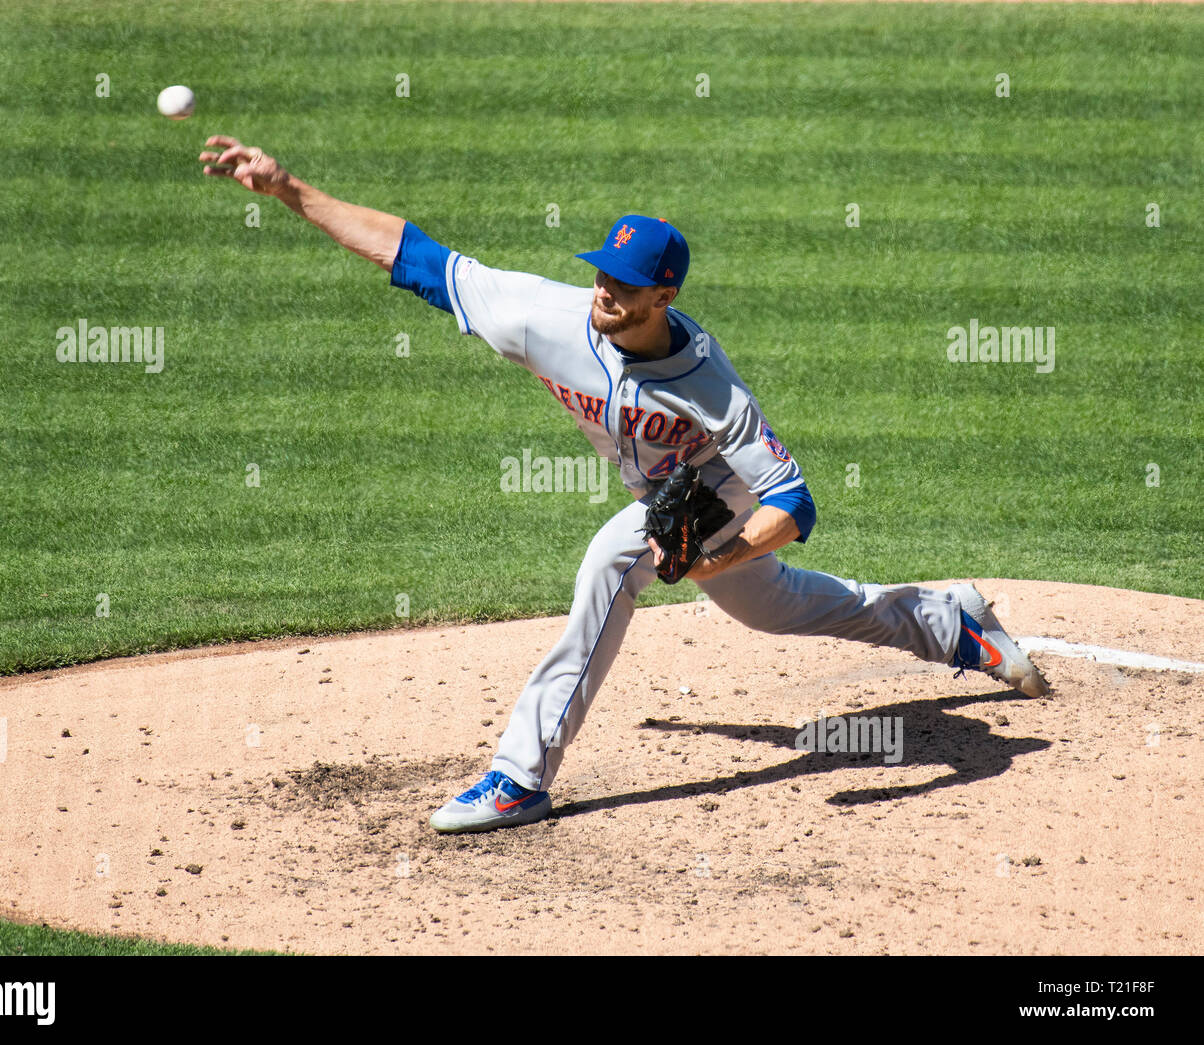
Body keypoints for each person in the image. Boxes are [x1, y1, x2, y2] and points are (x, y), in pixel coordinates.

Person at [200, 136, 1051, 834]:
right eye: (601, 274)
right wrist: (288, 189)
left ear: (665, 294)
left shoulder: (711, 387)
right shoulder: (548, 314)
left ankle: (519, 777)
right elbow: (415, 256)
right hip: (673, 501)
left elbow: (796, 504)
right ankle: (948, 622)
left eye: (625, 285)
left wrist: (700, 564)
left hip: (724, 497)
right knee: (771, 607)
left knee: (613, 563)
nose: (604, 292)